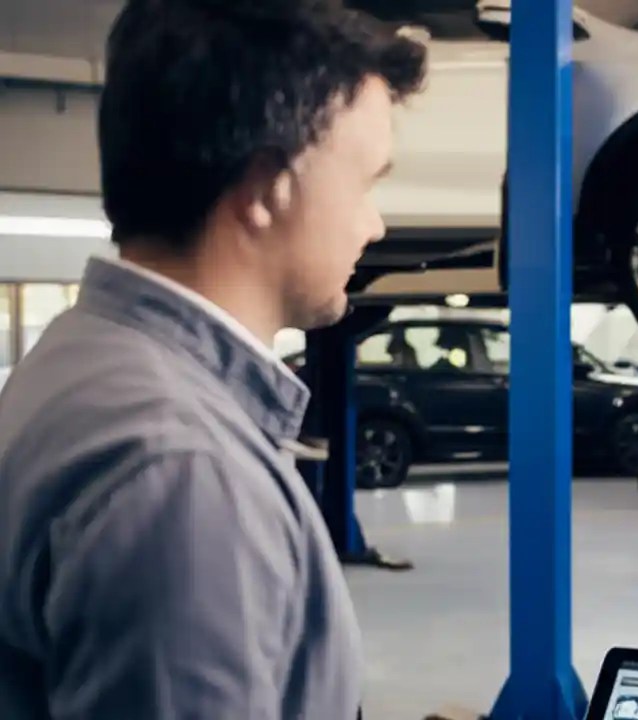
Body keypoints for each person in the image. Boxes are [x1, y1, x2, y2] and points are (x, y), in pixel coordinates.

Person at [0, 0, 426, 717]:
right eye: (365, 183)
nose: (374, 223)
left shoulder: (76, 362)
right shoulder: (181, 469)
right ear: (266, 190)